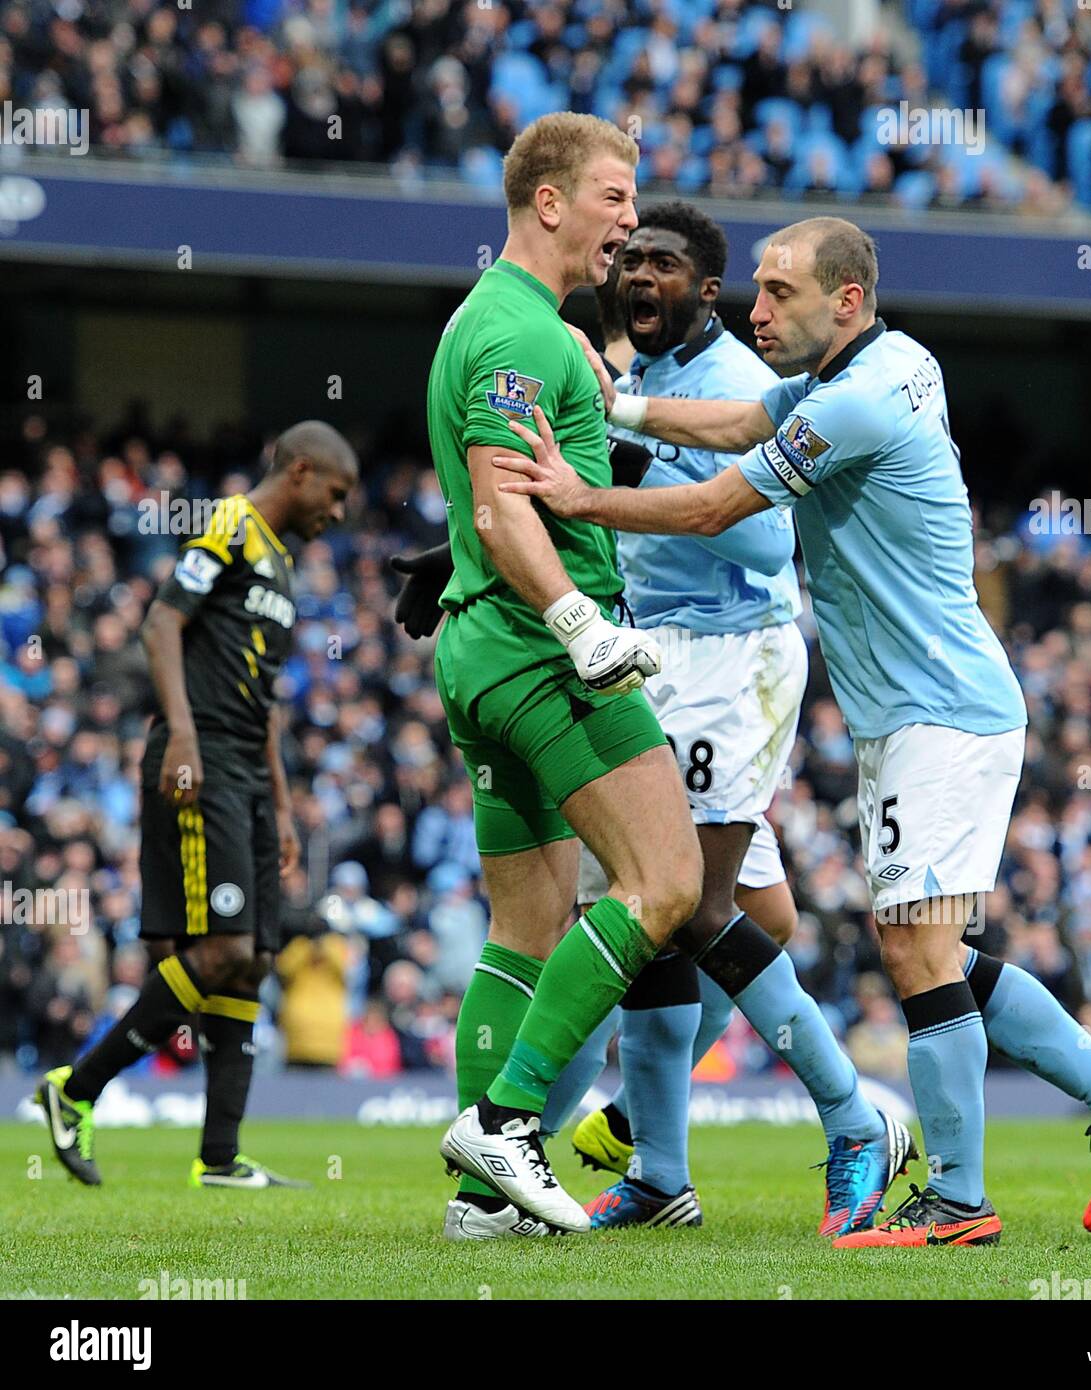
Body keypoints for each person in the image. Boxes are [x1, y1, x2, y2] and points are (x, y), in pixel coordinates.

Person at [493, 215, 1091, 1247]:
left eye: (779, 293)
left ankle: (955, 1199)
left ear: (845, 300)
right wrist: (625, 402)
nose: (758, 310)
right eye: (759, 291)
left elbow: (716, 504)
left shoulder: (853, 403)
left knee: (909, 949)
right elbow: (735, 424)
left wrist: (574, 494)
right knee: (932, 945)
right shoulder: (886, 365)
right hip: (923, 708)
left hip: (934, 712)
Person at [536, 201, 914, 1236]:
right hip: (656, 659)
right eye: (632, 261)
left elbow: (759, 552)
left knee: (688, 910)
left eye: (663, 262)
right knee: (679, 921)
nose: (639, 275)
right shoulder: (643, 381)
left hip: (730, 657)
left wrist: (626, 471)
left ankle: (853, 1119)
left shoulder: (745, 384)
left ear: (704, 290)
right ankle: (660, 1173)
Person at [407, 111, 702, 1239]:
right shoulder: (521, 332)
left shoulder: (507, 320)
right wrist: (580, 620)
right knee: (664, 883)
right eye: (617, 198)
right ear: (550, 202)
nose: (630, 223)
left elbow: (488, 503)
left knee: (525, 924)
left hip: (481, 643)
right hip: (542, 650)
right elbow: (501, 501)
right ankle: (511, 1120)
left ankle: (485, 1199)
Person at [35, 420, 359, 1189]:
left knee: (251, 962)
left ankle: (220, 1158)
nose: (341, 513)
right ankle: (74, 1090)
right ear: (302, 472)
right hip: (200, 756)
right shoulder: (230, 525)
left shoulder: (279, 565)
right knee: (216, 951)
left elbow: (269, 701)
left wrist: (281, 805)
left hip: (248, 770)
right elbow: (162, 622)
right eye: (337, 495)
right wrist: (181, 736)